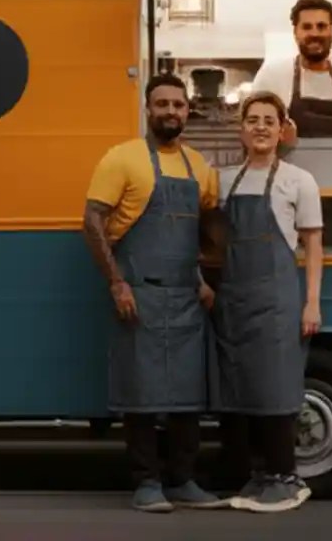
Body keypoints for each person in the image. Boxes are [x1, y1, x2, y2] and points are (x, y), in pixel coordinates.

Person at [82, 73, 225, 513]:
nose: (170, 112)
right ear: (148, 109)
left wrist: (202, 282)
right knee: (141, 396)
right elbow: (92, 221)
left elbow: (202, 233)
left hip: (185, 299)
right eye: (161, 104)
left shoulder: (199, 168)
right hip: (138, 296)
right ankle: (146, 483)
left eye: (178, 105)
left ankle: (182, 480)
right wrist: (117, 282)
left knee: (187, 397)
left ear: (188, 111)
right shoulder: (121, 159)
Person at [211, 90, 324, 514]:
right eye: (252, 119)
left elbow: (313, 244)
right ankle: (253, 477)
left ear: (282, 130)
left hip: (279, 299)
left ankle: (285, 478)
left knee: (277, 388)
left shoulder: (299, 181)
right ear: (241, 129)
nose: (260, 127)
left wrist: (311, 302)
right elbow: (217, 238)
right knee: (238, 390)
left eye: (268, 121)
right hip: (234, 299)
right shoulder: (223, 180)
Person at [251, 0, 332, 140]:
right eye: (307, 27)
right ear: (295, 33)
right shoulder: (271, 77)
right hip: (285, 163)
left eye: (321, 26)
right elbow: (253, 138)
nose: (314, 33)